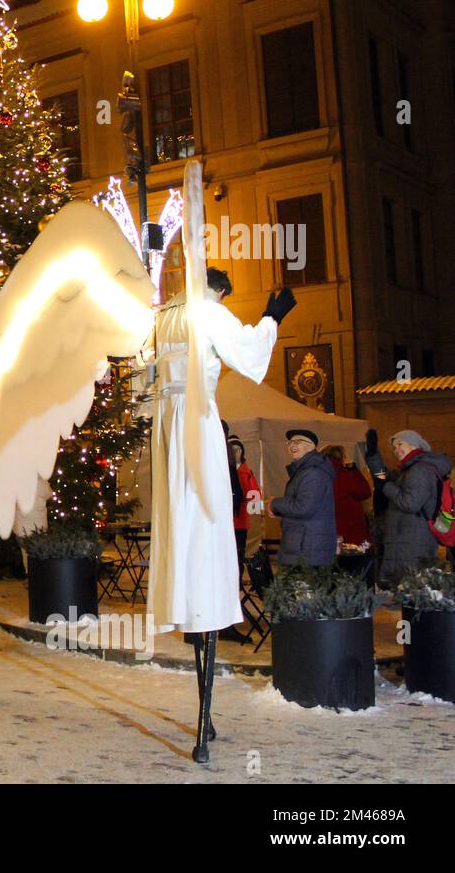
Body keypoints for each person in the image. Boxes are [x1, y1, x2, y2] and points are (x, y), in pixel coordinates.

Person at [148, 245, 294, 762]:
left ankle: (192, 603)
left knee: (184, 524)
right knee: (207, 527)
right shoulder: (207, 312)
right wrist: (271, 318)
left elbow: (144, 371)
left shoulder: (163, 318)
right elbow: (249, 355)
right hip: (197, 425)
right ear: (220, 292)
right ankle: (205, 603)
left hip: (166, 433)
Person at [367, 429, 452, 587]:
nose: (396, 449)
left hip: (413, 541)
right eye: (394, 447)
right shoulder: (407, 470)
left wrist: (386, 487)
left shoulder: (420, 470)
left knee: (411, 591)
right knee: (403, 593)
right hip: (405, 539)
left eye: (400, 444)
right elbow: (382, 477)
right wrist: (373, 456)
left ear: (414, 445)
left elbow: (410, 503)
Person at [266, 430, 336, 568]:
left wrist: (276, 503)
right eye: (290, 442)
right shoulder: (304, 471)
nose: (293, 445)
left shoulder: (313, 472)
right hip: (303, 544)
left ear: (311, 446)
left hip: (308, 548)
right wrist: (277, 508)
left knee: (303, 587)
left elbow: (304, 508)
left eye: (298, 441)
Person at [322, 444, 371, 547]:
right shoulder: (346, 476)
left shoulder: (316, 476)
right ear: (341, 458)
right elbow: (365, 492)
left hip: (325, 534)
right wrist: (354, 469)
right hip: (350, 534)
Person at [228, 436, 261, 561]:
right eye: (233, 450)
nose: (236, 453)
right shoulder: (226, 470)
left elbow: (255, 500)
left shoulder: (246, 472)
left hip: (240, 520)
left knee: (238, 553)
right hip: (228, 520)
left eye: (238, 450)